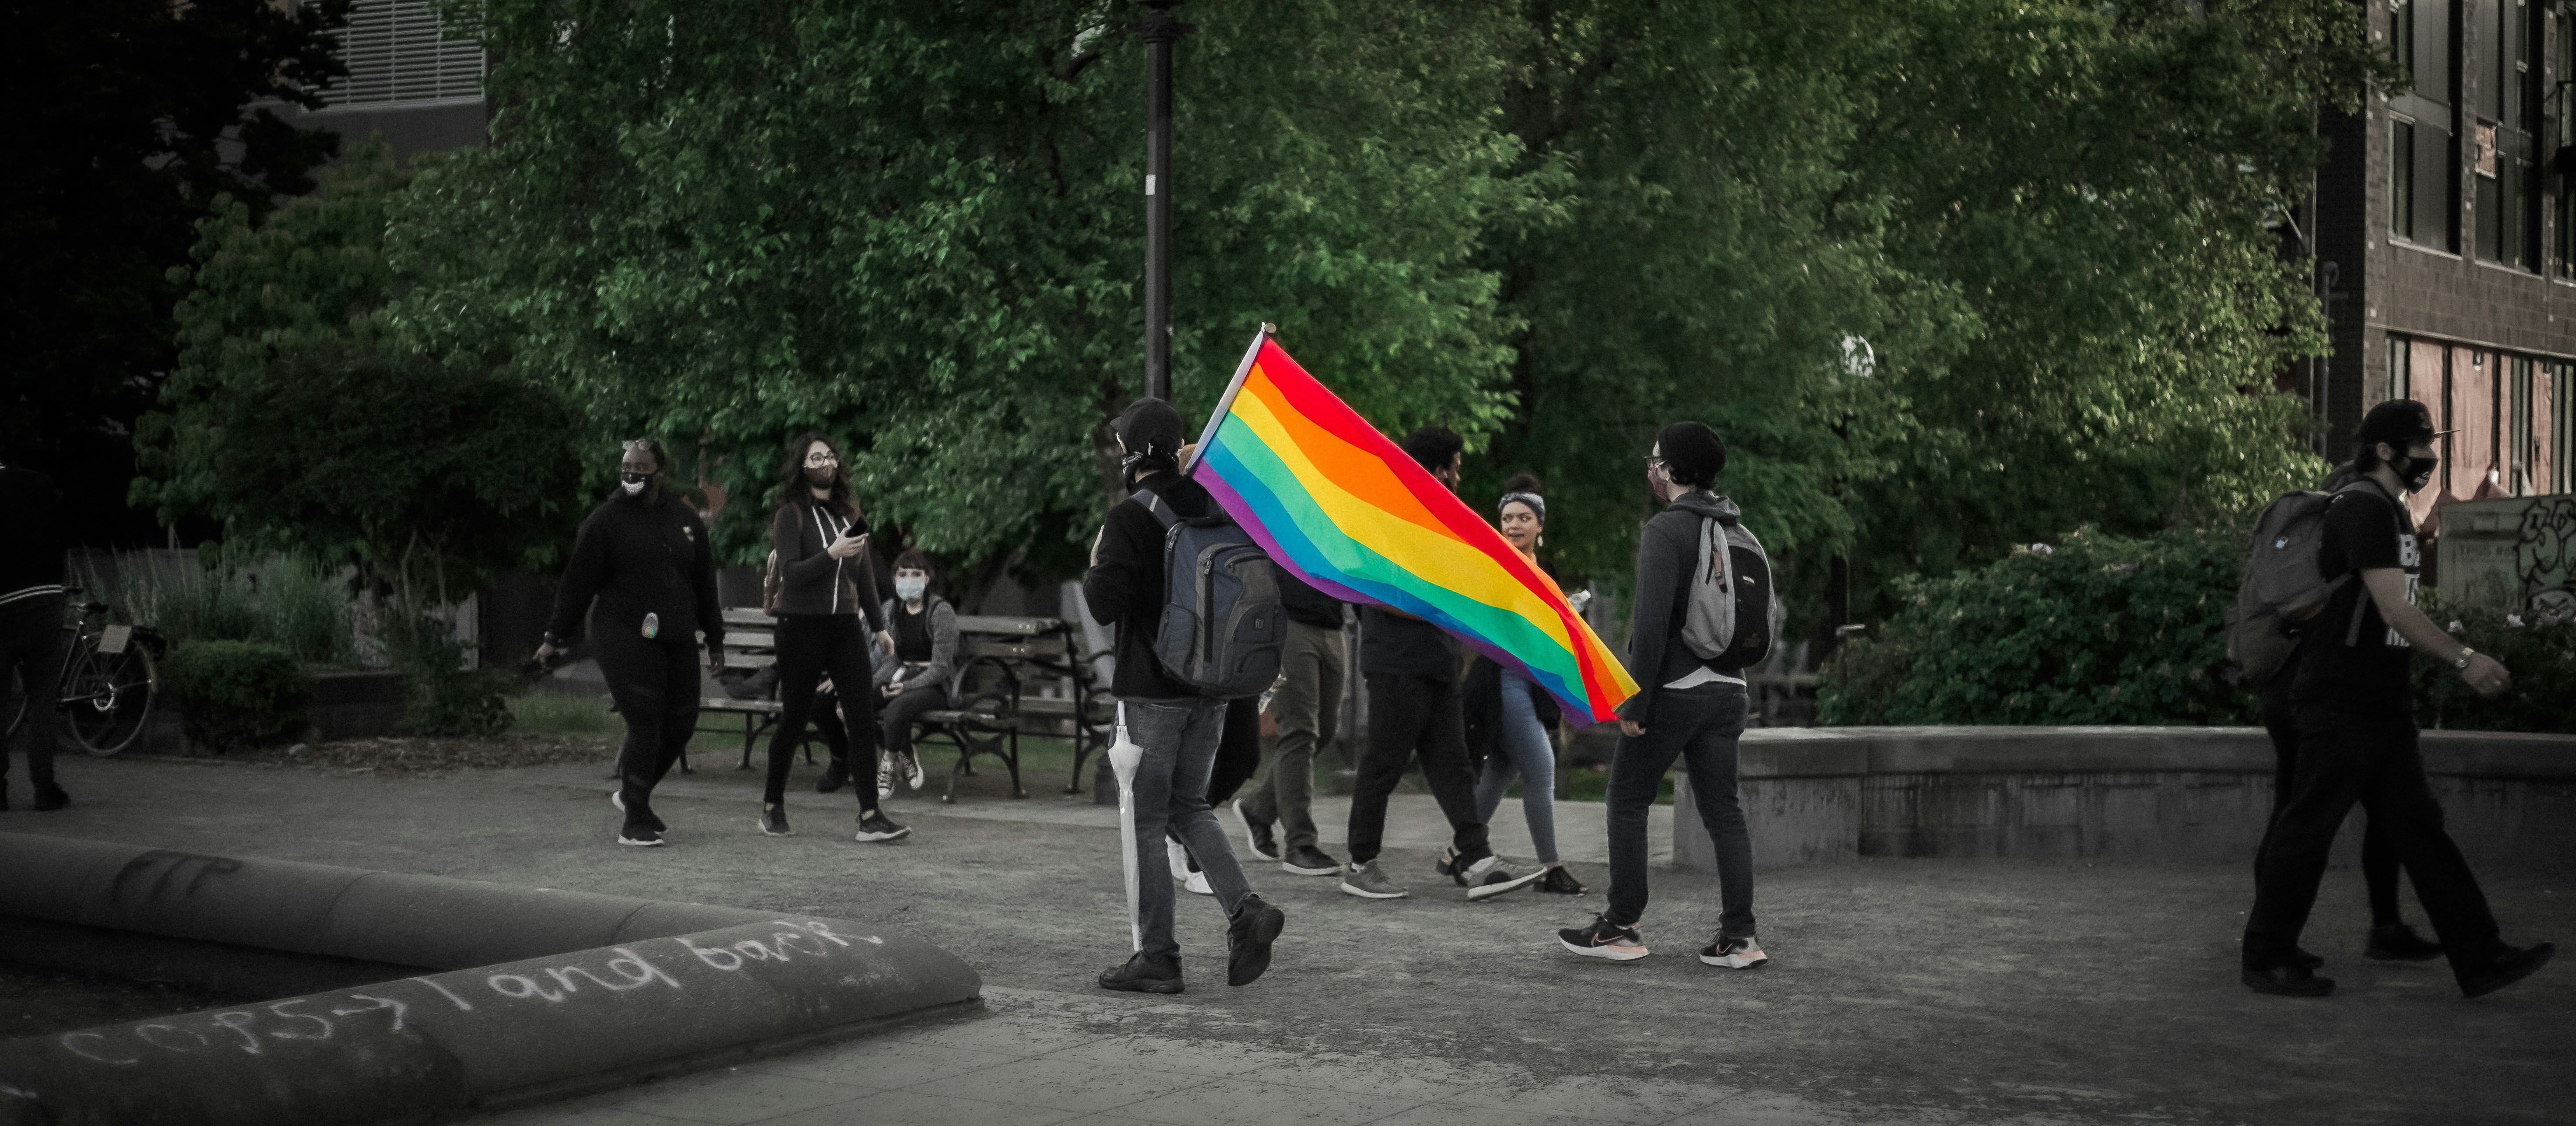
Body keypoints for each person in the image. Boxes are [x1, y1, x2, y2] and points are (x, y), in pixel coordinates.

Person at [2241, 400, 2554, 998]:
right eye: (2419, 448)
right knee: (2307, 829)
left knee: (2418, 831)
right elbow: (2394, 607)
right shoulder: (2363, 508)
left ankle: (2480, 955)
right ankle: (2266, 956)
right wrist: (2465, 660)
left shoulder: (2389, 508)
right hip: (2341, 700)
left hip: (2378, 703)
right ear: (2385, 451)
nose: (2430, 458)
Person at [1083, 398, 1284, 994]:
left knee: (1146, 819)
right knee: (1189, 805)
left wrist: (1101, 554)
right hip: (1212, 686)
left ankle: (1158, 955)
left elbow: (1102, 604)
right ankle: (1244, 910)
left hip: (1151, 690)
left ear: (1130, 452)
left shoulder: (1129, 517)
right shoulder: (1220, 507)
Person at [1558, 422, 1766, 968]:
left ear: (1673, 470)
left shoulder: (1666, 529)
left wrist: (1636, 702)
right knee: (1724, 810)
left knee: (1626, 799)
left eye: (1655, 460)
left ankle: (1621, 925)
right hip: (1730, 689)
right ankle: (1739, 937)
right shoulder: (1737, 528)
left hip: (1676, 687)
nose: (1649, 468)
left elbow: (1650, 625)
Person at [1339, 425, 1543, 903]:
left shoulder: (1437, 518)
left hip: (1436, 661)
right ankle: (1359, 863)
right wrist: (1437, 608)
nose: (1457, 476)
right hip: (1396, 663)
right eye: (1454, 467)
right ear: (1436, 469)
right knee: (1384, 763)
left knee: (1452, 765)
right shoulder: (1388, 515)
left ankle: (1475, 858)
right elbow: (1372, 588)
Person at [2250, 460, 2440, 969]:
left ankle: (2375, 927)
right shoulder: (2364, 522)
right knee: (2306, 819)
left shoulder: (2337, 530)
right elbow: (2394, 614)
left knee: (2305, 812)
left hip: (2301, 688)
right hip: (2325, 695)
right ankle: (2274, 937)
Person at [537, 440, 723, 848]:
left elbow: (705, 582)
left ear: (660, 472)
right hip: (621, 632)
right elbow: (576, 583)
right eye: (627, 467)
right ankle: (634, 821)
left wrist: (715, 638)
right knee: (646, 719)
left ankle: (632, 793)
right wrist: (554, 636)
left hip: (674, 633)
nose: (633, 474)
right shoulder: (605, 521)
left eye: (642, 467)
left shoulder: (684, 518)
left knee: (682, 722)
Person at [762, 432, 908, 843]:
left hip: (844, 626)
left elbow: (863, 574)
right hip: (800, 625)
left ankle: (870, 816)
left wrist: (879, 628)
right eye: (815, 457)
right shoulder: (790, 515)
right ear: (802, 467)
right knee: (794, 717)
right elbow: (792, 573)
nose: (825, 462)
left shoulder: (851, 512)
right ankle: (772, 805)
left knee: (861, 717)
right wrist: (832, 552)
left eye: (829, 456)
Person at [1465, 474, 1583, 894]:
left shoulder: (1545, 570)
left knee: (1500, 770)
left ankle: (1459, 850)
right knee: (1542, 768)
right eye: (1507, 517)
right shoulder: (1495, 564)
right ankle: (1550, 868)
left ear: (1539, 525)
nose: (1513, 525)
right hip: (1502, 681)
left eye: (1523, 517)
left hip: (1530, 685)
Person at [1230, 568, 1348, 878]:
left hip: (1332, 621)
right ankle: (1300, 844)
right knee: (1300, 730)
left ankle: (1258, 809)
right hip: (1288, 621)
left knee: (1323, 731)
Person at [0, 459, 70, 813]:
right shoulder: (38, 482)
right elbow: (62, 531)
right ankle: (45, 787)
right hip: (44, 598)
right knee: (43, 695)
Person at [863, 549, 955, 800]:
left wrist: (907, 687)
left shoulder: (940, 611)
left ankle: (888, 762)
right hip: (902, 677)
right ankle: (904, 751)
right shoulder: (893, 610)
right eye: (903, 574)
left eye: (916, 574)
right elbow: (893, 658)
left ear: (927, 579)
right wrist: (881, 683)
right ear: (894, 579)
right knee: (859, 702)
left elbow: (941, 668)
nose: (909, 579)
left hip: (935, 686)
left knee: (896, 709)